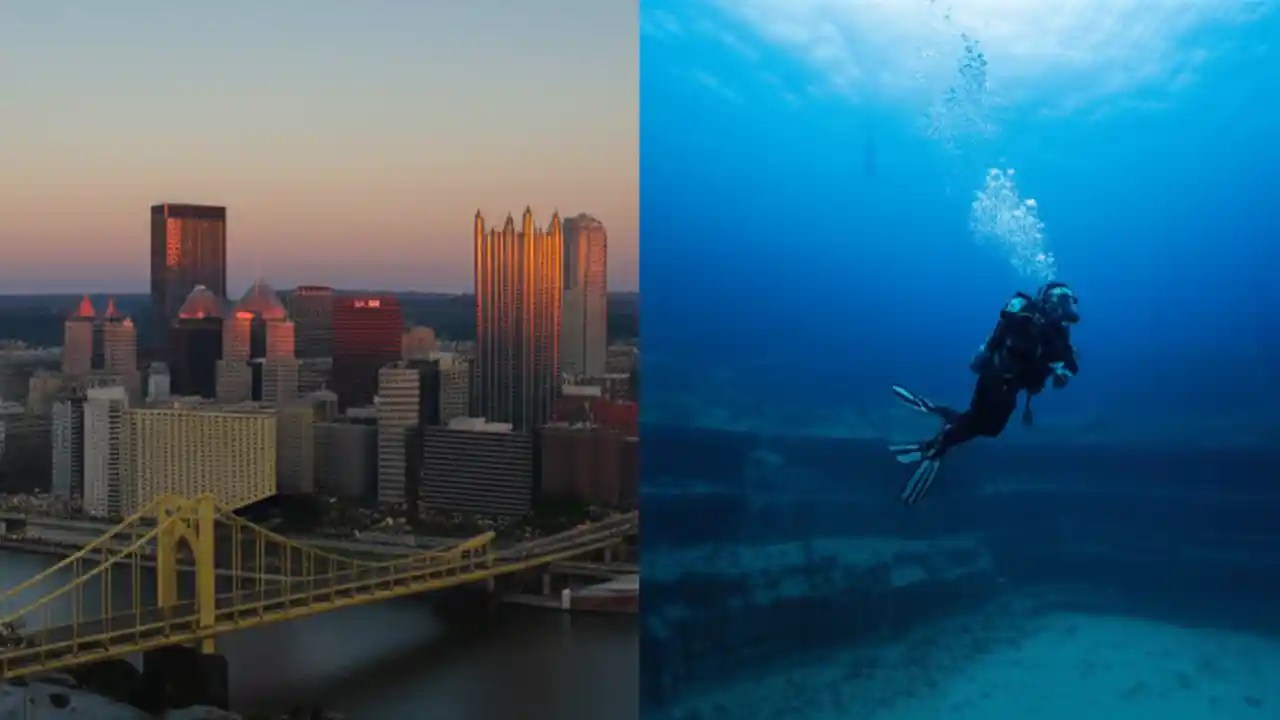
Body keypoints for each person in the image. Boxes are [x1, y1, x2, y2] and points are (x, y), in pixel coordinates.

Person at [889, 282, 1080, 505]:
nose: (1063, 307)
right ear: (1046, 300)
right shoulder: (1027, 314)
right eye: (1059, 300)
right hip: (995, 375)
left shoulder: (1059, 331)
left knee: (990, 427)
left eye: (1067, 301)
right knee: (981, 420)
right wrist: (1036, 336)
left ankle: (944, 416)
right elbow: (1011, 331)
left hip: (1014, 384)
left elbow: (1069, 364)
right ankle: (935, 446)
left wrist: (1062, 372)